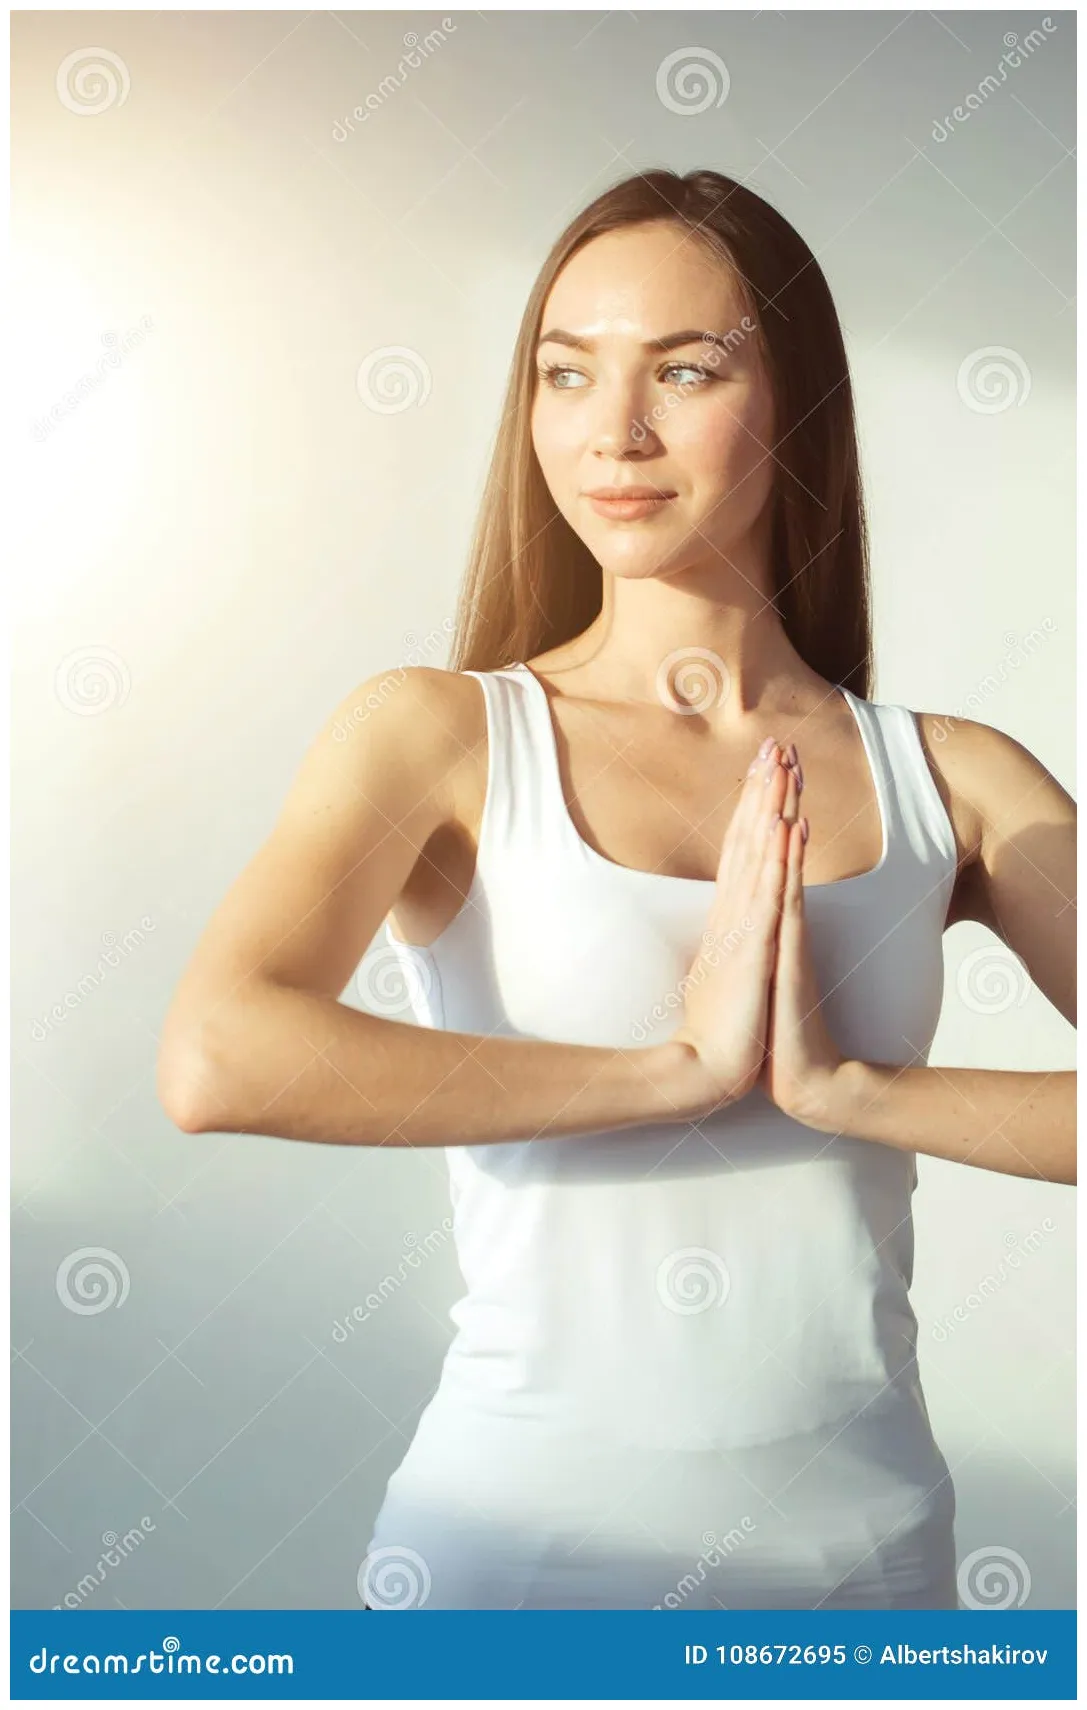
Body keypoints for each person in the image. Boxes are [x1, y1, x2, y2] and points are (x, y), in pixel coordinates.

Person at [157, 168, 1076, 1611]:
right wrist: (671, 1072)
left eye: (685, 370)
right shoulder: (438, 733)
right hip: (513, 1563)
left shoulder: (952, 779)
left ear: (797, 406)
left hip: (870, 1574)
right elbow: (216, 1055)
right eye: (566, 374)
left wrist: (852, 1093)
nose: (612, 433)